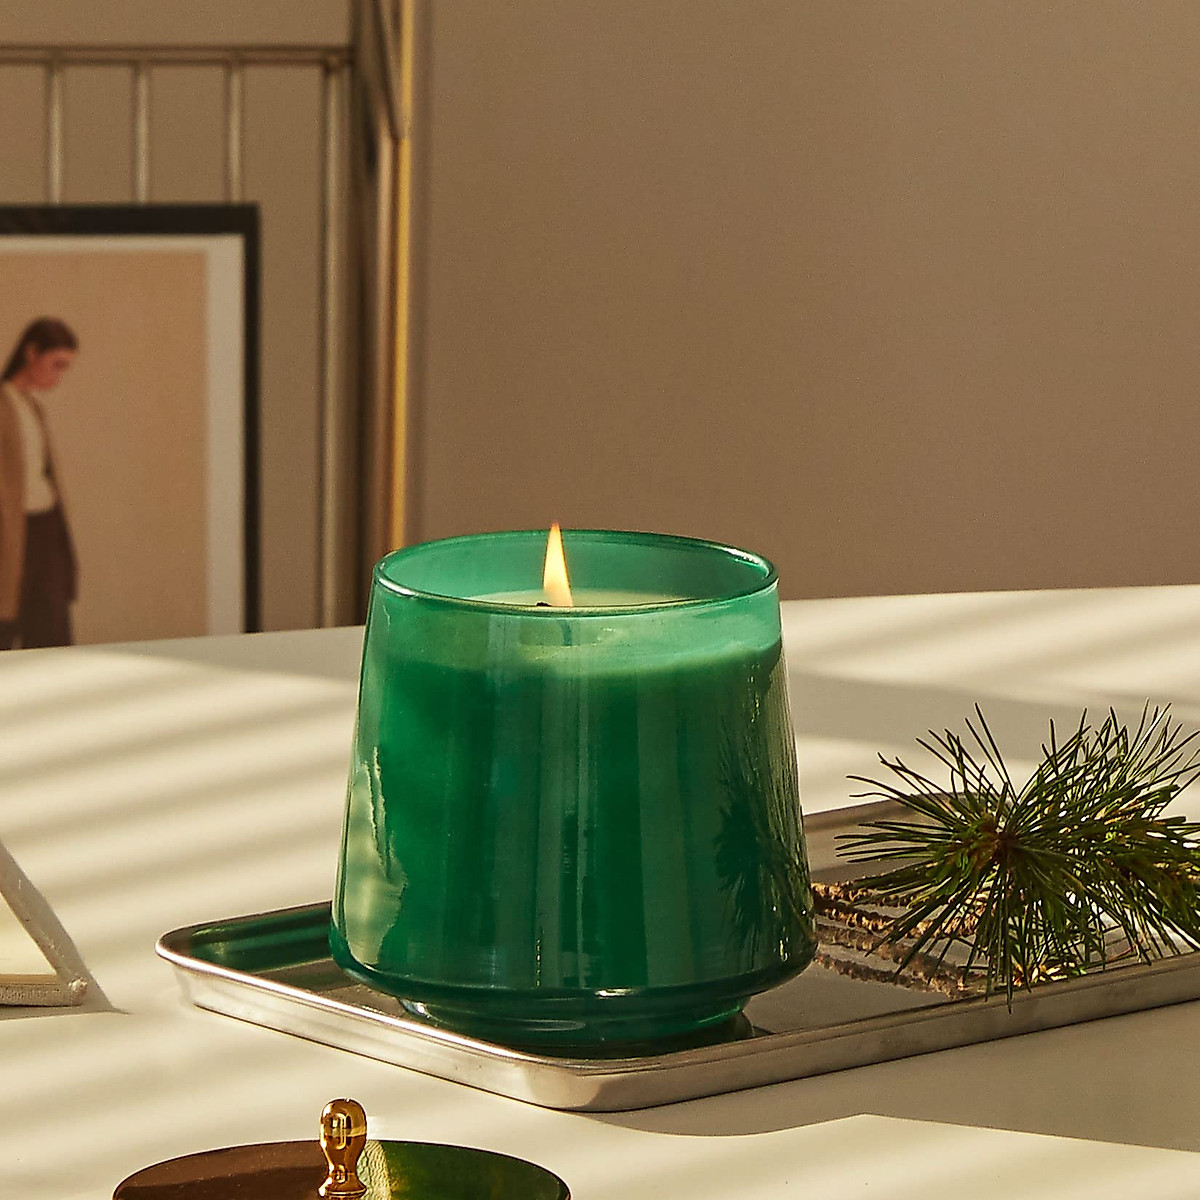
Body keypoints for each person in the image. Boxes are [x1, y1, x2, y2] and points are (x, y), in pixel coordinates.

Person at [0, 318, 79, 650]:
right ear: (32, 353)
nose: (58, 376)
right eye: (56, 364)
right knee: (7, 622)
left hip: (45, 528)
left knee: (50, 629)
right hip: (12, 534)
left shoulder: (32, 406)